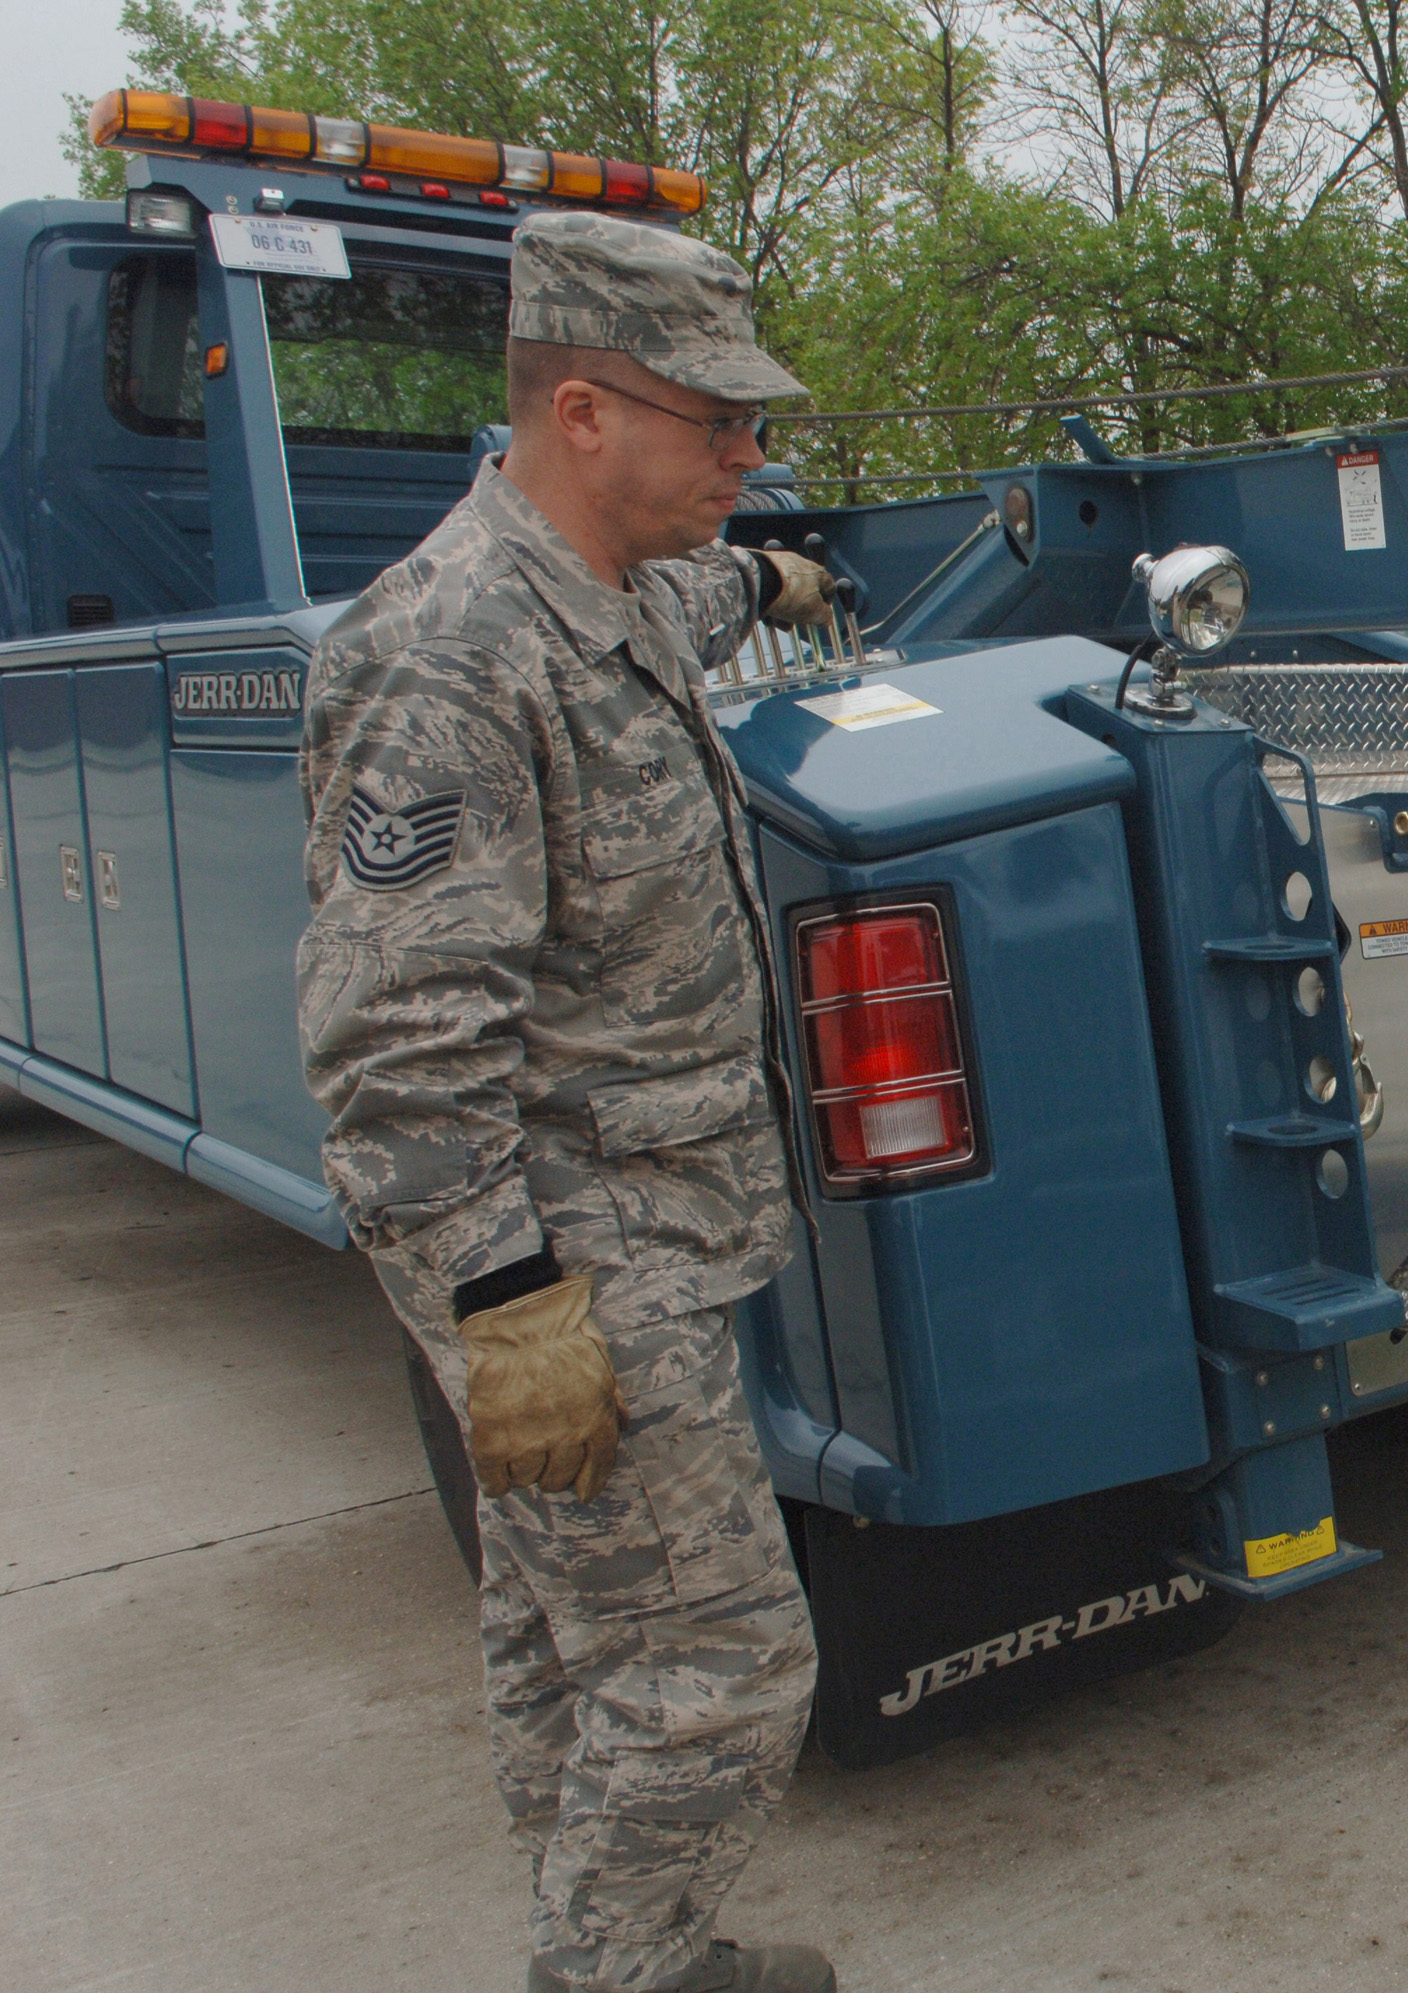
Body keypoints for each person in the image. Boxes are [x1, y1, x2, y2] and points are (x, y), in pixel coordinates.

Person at [298, 209, 847, 1992]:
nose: (750, 455)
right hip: (566, 1260)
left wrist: (778, 578)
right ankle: (612, 1971)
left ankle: (621, 1934)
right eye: (722, 424)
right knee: (724, 1664)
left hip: (654, 1228)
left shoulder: (605, 586)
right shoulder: (453, 649)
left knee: (566, 1628)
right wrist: (508, 1317)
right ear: (588, 411)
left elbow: (698, 593)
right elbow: (397, 1041)